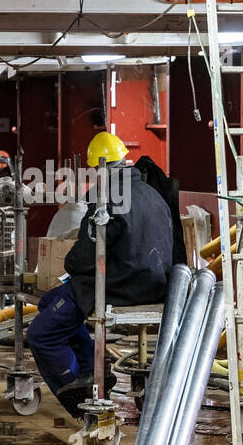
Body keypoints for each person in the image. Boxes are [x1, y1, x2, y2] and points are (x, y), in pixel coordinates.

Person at [25, 132, 174, 418]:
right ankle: (95, 368)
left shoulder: (107, 198)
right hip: (153, 286)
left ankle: (74, 391)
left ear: (100, 167)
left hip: (117, 286)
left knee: (41, 334)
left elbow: (85, 256)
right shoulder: (153, 193)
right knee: (48, 303)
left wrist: (69, 263)